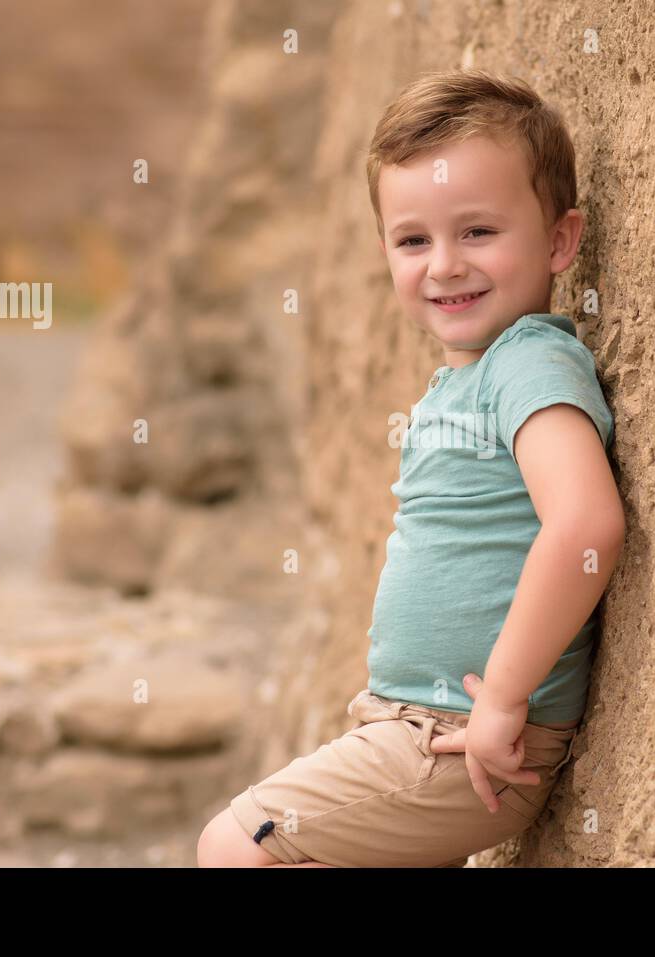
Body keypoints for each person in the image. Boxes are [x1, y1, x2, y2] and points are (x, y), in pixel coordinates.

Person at [198, 68, 624, 868]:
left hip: (469, 735)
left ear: (562, 239)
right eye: (413, 240)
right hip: (410, 722)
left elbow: (587, 523)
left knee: (235, 844)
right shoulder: (460, 379)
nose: (444, 265)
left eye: (478, 232)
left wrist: (502, 694)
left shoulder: (528, 363)